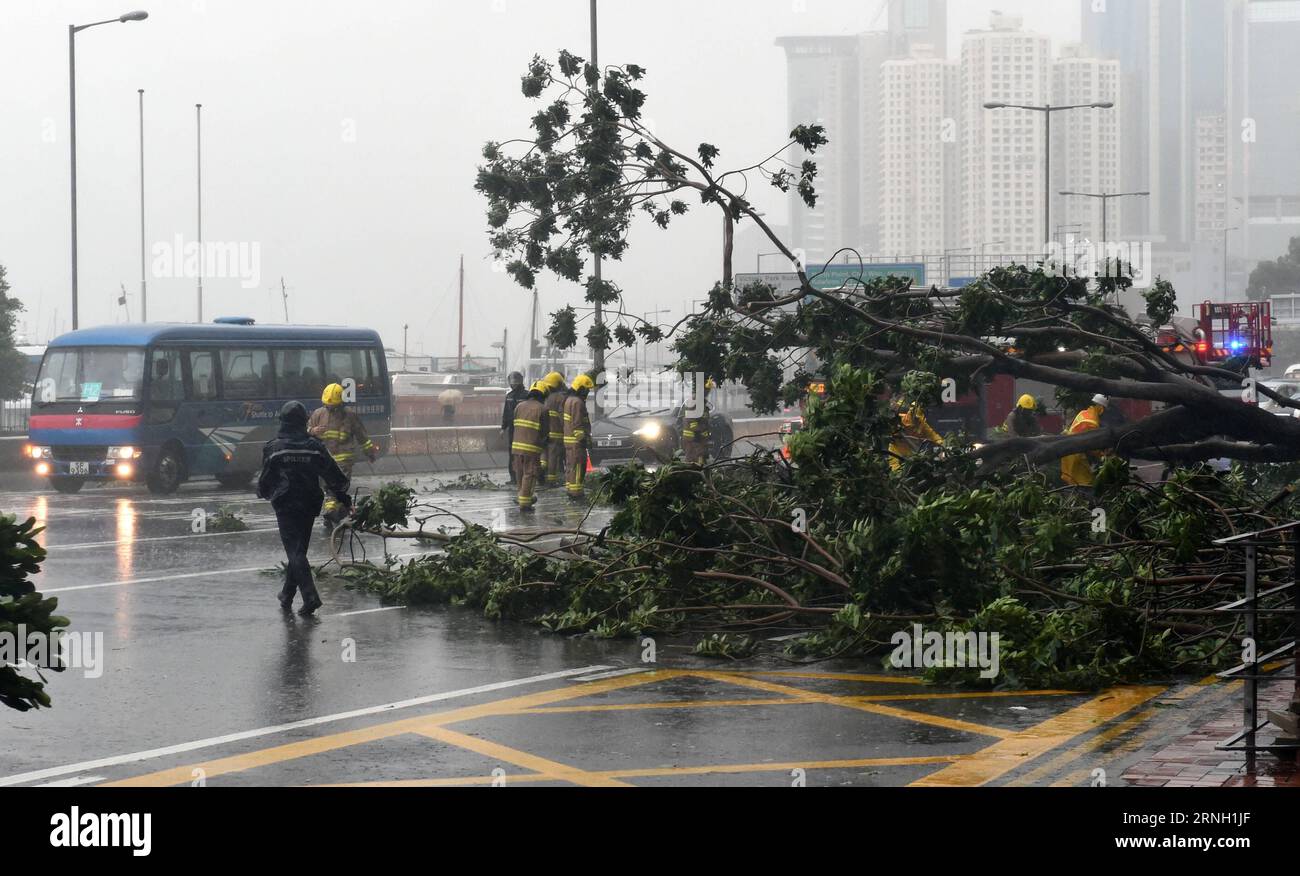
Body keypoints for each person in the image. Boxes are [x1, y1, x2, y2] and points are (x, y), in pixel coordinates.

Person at [257, 401, 352, 615]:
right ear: (303, 422)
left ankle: (310, 597)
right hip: (309, 503)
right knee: (299, 550)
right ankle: (287, 594)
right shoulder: (315, 447)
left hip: (285, 504)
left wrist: (263, 492)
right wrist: (344, 498)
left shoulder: (273, 447)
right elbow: (334, 476)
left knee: (295, 551)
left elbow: (265, 479)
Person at [308, 383, 378, 533]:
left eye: (333, 406)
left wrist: (370, 452)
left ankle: (335, 513)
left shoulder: (350, 416)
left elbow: (362, 437)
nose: (330, 409)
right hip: (325, 459)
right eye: (328, 406)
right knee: (332, 489)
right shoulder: (318, 414)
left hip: (343, 461)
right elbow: (305, 431)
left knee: (336, 489)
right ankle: (333, 513)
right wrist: (313, 430)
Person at [511, 382, 549, 512]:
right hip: (532, 448)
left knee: (520, 473)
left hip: (516, 447)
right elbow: (545, 431)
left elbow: (514, 425)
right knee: (530, 474)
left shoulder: (519, 406)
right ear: (542, 395)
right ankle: (525, 503)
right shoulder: (542, 409)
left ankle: (521, 495)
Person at [1061, 394, 1109, 488]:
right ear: (1101, 408)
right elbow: (1092, 446)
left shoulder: (1084, 413)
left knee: (1074, 483)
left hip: (1069, 451)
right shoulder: (1091, 422)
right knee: (1084, 484)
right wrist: (1103, 455)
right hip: (1076, 455)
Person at [889, 397, 943, 471]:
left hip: (919, 457)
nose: (917, 419)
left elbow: (934, 437)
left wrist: (942, 447)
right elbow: (893, 456)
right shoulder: (899, 426)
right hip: (903, 457)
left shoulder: (921, 423)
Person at [563, 375, 594, 499]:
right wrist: (584, 440)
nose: (587, 392)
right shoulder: (577, 402)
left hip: (569, 442)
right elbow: (577, 423)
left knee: (571, 466)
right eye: (586, 389)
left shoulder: (569, 400)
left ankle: (571, 489)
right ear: (581, 388)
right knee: (578, 467)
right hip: (576, 442)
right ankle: (576, 493)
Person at [500, 372, 529, 485]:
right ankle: (513, 477)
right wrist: (503, 427)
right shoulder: (509, 396)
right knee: (512, 453)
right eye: (512, 382)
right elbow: (506, 413)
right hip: (513, 429)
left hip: (524, 429)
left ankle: (523, 476)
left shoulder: (527, 395)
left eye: (515, 382)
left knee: (523, 453)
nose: (513, 384)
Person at [542, 371, 568, 488]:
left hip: (544, 433)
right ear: (558, 384)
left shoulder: (544, 397)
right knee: (553, 457)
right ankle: (551, 481)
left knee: (545, 456)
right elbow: (562, 417)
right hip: (556, 433)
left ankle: (541, 476)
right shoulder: (560, 398)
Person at [681, 378, 714, 465]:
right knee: (692, 461)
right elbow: (691, 420)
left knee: (701, 460)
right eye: (707, 390)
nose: (708, 392)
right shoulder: (695, 401)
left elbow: (703, 419)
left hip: (700, 439)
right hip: (693, 439)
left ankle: (700, 475)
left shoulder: (702, 402)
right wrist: (697, 434)